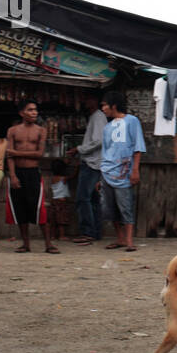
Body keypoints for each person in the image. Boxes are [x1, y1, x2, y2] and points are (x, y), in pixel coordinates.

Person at [6, 99, 59, 254]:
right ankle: (26, 244)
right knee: (20, 207)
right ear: (21, 113)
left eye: (35, 110)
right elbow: (9, 156)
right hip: (18, 172)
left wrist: (16, 153)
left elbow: (39, 154)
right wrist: (12, 175)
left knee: (39, 208)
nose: (34, 112)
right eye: (30, 110)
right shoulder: (13, 131)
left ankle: (48, 244)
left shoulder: (41, 130)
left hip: (33, 172)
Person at [99, 92, 145, 252]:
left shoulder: (132, 121)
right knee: (110, 208)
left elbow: (138, 147)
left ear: (114, 105)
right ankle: (120, 239)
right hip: (107, 171)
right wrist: (101, 173)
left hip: (124, 172)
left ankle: (130, 241)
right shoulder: (107, 127)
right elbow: (105, 151)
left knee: (126, 206)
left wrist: (135, 170)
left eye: (105, 105)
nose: (103, 109)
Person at [71, 92, 107, 245]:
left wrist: (79, 149)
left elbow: (98, 141)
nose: (84, 101)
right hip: (93, 162)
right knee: (93, 199)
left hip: (92, 163)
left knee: (83, 198)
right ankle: (95, 232)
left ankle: (87, 232)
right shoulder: (95, 117)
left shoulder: (98, 117)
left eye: (86, 98)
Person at [49, 159, 71, 242]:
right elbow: (73, 176)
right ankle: (62, 236)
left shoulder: (53, 178)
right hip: (61, 202)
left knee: (53, 220)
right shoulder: (63, 178)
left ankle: (52, 236)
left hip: (54, 201)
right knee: (61, 220)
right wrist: (77, 168)